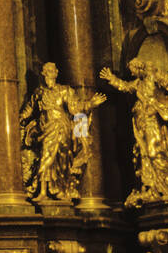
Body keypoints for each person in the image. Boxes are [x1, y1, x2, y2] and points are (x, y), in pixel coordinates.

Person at [101, 59, 168, 206]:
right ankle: (153, 188)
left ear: (139, 68)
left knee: (156, 152)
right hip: (141, 123)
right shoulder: (138, 83)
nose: (132, 73)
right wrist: (111, 78)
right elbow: (125, 86)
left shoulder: (153, 77)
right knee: (145, 156)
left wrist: (158, 74)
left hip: (153, 121)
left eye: (133, 70)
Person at [20, 62, 105, 201]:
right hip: (45, 129)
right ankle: (43, 191)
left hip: (61, 128)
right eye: (46, 71)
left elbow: (75, 109)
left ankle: (58, 188)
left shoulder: (65, 90)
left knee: (60, 161)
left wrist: (91, 103)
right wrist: (21, 117)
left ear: (56, 73)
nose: (48, 73)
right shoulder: (39, 92)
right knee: (46, 157)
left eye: (51, 70)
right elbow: (29, 108)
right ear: (43, 74)